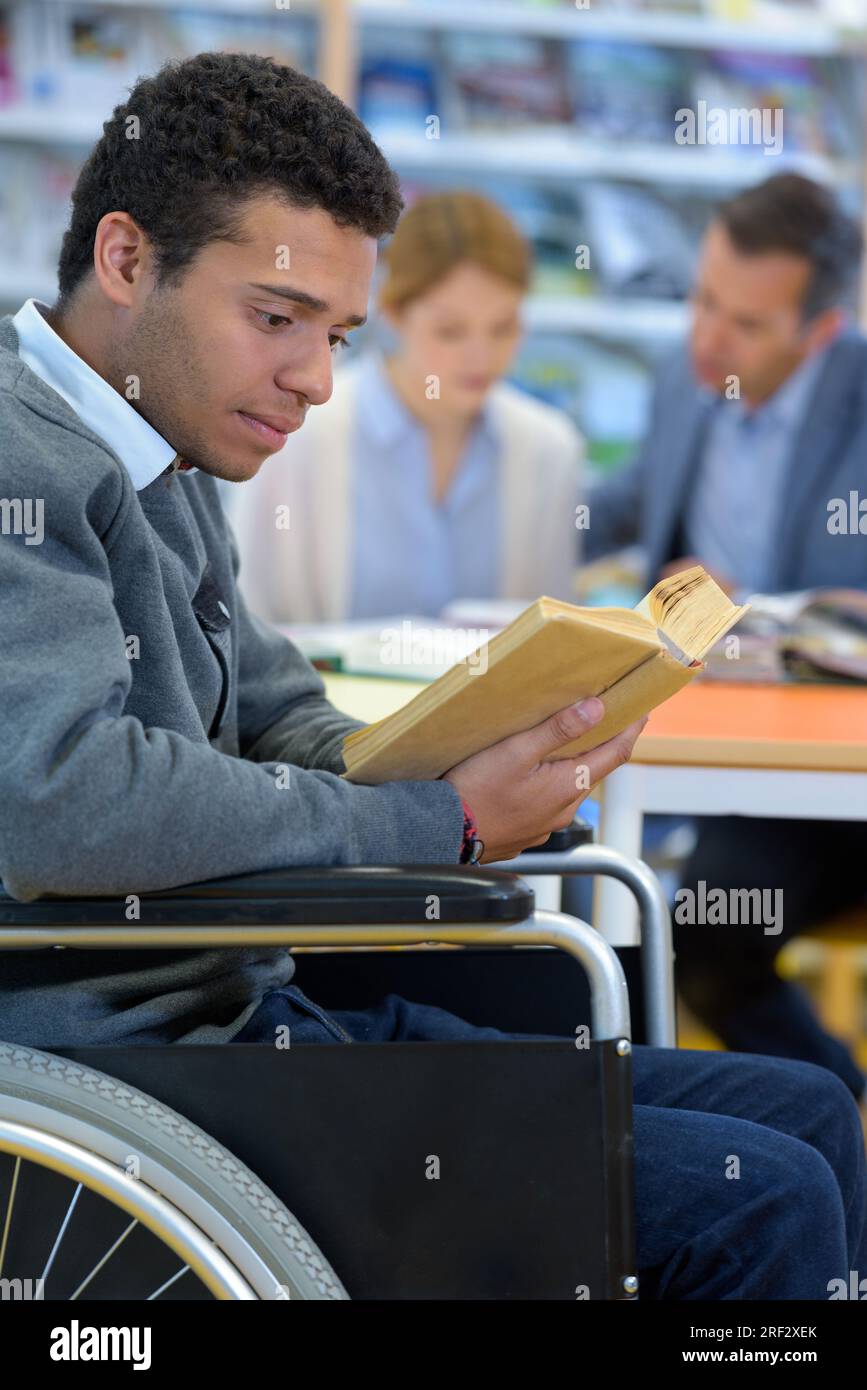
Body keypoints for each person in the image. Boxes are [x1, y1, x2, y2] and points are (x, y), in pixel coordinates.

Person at [0, 53, 862, 1300]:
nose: (316, 379)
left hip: (256, 1017)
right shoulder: (27, 462)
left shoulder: (160, 453)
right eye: (278, 319)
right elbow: (64, 797)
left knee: (809, 1107)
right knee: (764, 1200)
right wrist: (437, 819)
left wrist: (474, 755)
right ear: (128, 260)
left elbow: (276, 705)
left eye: (339, 335)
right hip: (149, 1070)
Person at [583, 173, 867, 1100]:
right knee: (594, 919)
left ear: (818, 330)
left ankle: (835, 1114)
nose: (708, 338)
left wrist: (771, 609)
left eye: (745, 325)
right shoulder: (683, 381)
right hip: (684, 745)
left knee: (705, 935)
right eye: (702, 301)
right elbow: (621, 508)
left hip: (818, 782)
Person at [228, 189, 584, 624]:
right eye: (451, 331)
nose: (481, 357)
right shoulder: (302, 433)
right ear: (394, 314)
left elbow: (551, 638)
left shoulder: (549, 449)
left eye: (503, 329)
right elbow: (253, 625)